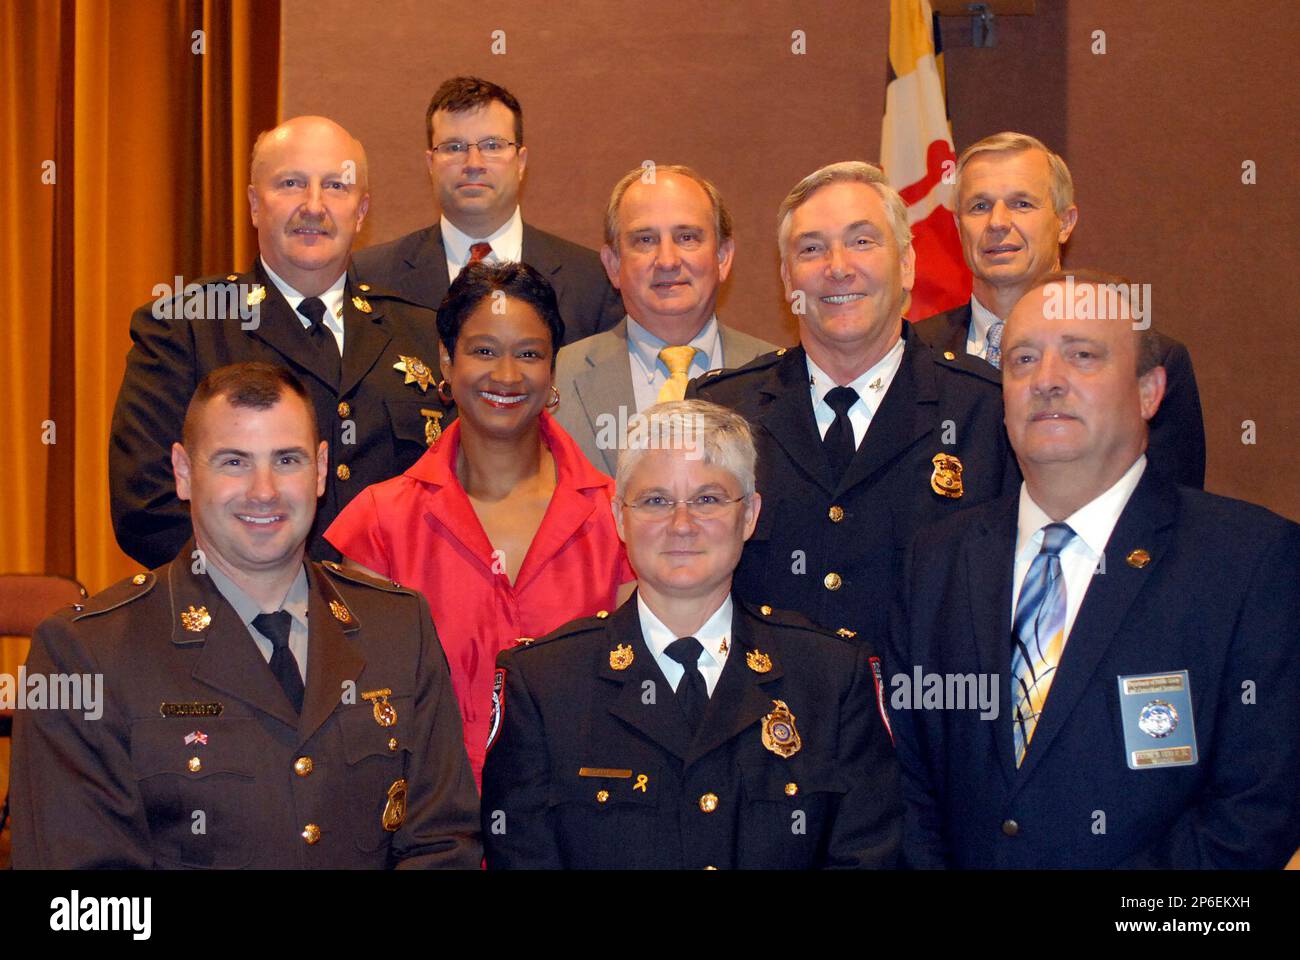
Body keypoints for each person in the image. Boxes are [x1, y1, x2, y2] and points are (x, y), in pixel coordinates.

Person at [889, 271, 1300, 868]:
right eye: (1023, 359)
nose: (1047, 380)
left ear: (1149, 392)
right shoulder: (936, 561)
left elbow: (1255, 813)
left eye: (1082, 355)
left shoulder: (1250, 562)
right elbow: (907, 782)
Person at [13, 362, 481, 868]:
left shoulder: (398, 628)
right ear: (183, 472)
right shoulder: (86, 655)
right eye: (234, 462)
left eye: (287, 459)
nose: (264, 491)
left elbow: (443, 843)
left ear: (320, 469)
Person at [482, 400, 902, 869]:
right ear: (619, 516)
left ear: (749, 515)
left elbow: (868, 855)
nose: (681, 525)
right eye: (656, 501)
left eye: (708, 500)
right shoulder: (545, 685)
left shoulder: (830, 677)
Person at [326, 261, 635, 786]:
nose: (507, 376)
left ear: (553, 370)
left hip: (583, 811)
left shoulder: (618, 518)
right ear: (446, 362)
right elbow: (365, 707)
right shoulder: (381, 523)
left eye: (529, 354)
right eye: (484, 351)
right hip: (431, 814)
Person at [691, 162, 1018, 639]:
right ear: (787, 279)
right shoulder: (724, 410)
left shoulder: (987, 410)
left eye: (862, 241)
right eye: (811, 248)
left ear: (907, 264)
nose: (839, 267)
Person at [111, 115, 452, 568]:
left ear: (361, 211)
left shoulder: (423, 334)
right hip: (234, 606)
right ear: (255, 204)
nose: (313, 206)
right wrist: (277, 589)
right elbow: (146, 508)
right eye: (291, 183)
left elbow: (454, 500)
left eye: (335, 186)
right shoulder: (184, 328)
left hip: (394, 603)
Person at [913, 132, 1205, 488]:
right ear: (959, 228)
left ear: (1065, 223)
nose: (998, 222)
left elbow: (1167, 508)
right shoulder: (911, 355)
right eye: (979, 206)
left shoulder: (1145, 359)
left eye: (1021, 203)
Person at [354, 76, 621, 345]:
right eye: (454, 147)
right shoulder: (369, 276)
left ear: (521, 161)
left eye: (492, 145)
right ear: (431, 163)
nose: (473, 163)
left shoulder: (593, 282)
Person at [554, 165, 776, 475]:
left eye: (687, 237)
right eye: (645, 240)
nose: (668, 261)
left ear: (723, 257)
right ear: (613, 264)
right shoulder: (559, 375)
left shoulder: (777, 375)